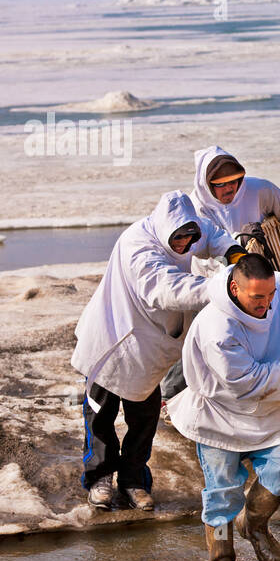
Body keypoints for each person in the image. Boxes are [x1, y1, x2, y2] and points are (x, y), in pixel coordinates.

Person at [71, 191, 244, 512]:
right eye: (178, 239)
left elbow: (213, 234)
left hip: (148, 350)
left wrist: (232, 252)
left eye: (190, 238)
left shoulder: (189, 231)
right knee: (101, 415)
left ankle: (133, 481)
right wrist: (224, 287)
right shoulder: (138, 246)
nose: (184, 245)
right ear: (166, 230)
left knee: (144, 420)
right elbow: (168, 290)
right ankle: (99, 478)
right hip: (111, 341)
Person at [166, 253, 280, 561]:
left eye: (269, 296)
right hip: (221, 413)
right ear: (235, 288)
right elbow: (247, 382)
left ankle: (255, 523)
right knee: (221, 493)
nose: (266, 305)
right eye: (256, 298)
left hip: (272, 410)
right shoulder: (217, 326)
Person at [189, 146, 280, 277]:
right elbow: (205, 257)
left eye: (233, 181)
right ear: (207, 185)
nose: (229, 188)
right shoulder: (196, 208)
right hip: (214, 277)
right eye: (220, 184)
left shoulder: (259, 189)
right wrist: (239, 240)